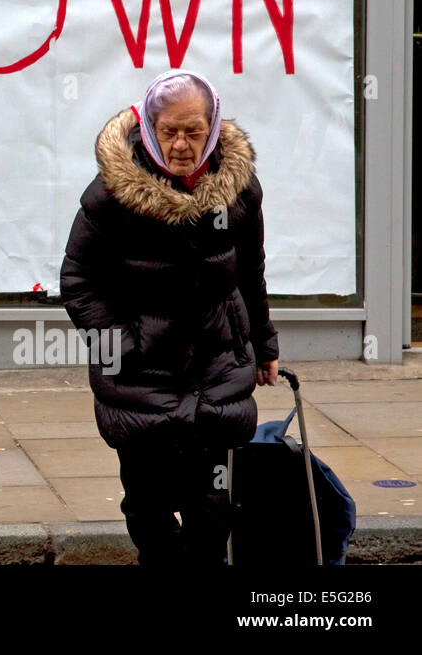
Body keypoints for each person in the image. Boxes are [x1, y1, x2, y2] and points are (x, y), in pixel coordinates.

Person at [60, 69, 279, 564]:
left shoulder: (240, 190)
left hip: (217, 370)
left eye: (194, 130)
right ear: (150, 127)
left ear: (214, 127)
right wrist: (123, 345)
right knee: (148, 505)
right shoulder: (110, 196)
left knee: (214, 505)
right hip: (141, 378)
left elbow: (251, 273)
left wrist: (263, 346)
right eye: (169, 131)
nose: (181, 144)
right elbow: (78, 280)